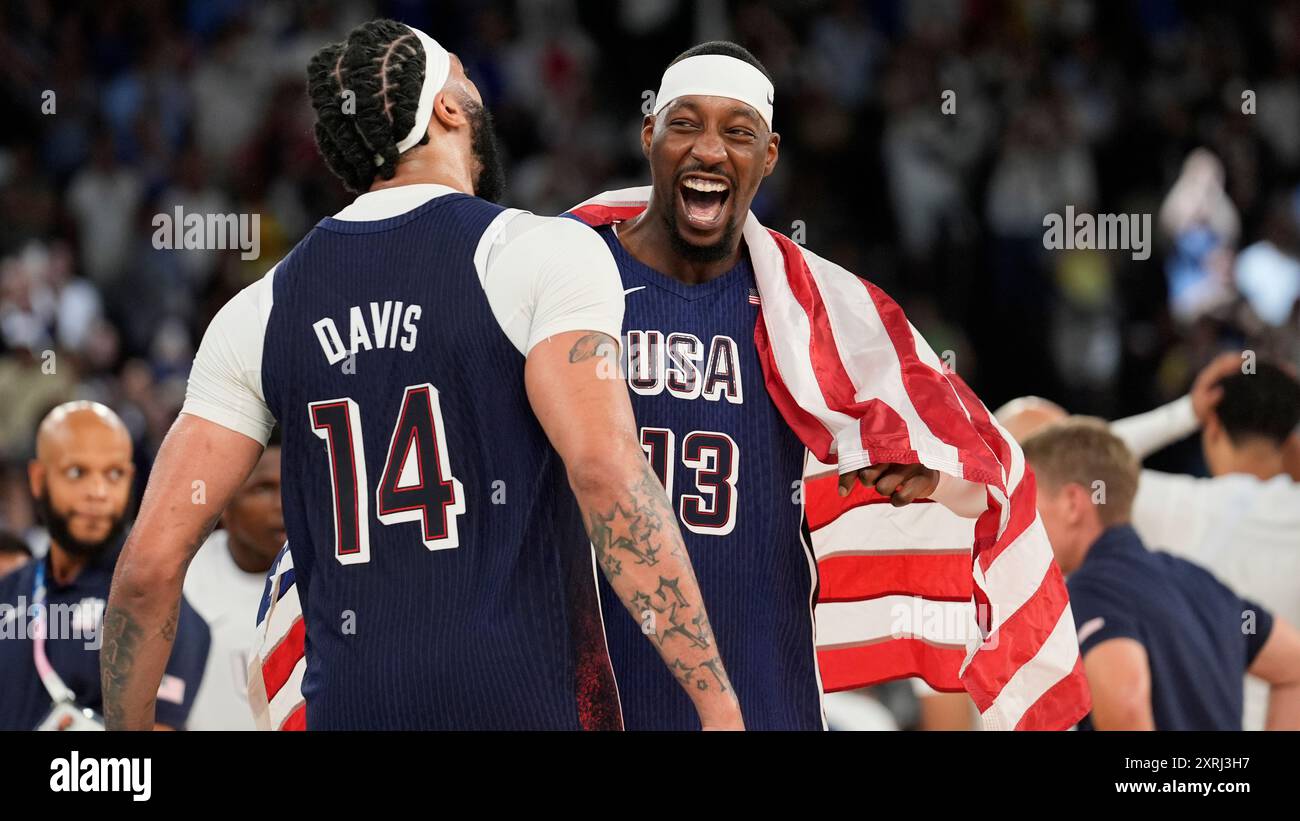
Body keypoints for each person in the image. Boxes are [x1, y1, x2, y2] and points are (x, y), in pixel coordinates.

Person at [101, 19, 740, 731]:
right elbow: (607, 473)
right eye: (465, 76)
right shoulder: (537, 251)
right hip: (526, 703)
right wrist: (716, 702)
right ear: (445, 107)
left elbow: (147, 570)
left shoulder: (260, 307)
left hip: (351, 708)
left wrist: (127, 744)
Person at [565, 42, 1082, 730]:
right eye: (685, 123)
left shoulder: (819, 314)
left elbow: (980, 474)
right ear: (648, 134)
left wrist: (927, 476)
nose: (711, 150)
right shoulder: (569, 276)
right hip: (589, 681)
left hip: (759, 688)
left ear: (770, 155)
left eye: (738, 131)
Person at [998, 352, 1300, 729]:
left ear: (1214, 430)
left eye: (1030, 501)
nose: (1022, 519)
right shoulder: (1201, 582)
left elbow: (1080, 460)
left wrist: (1186, 412)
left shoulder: (1176, 512)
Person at [0, 402, 209, 730]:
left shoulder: (157, 609)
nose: (98, 492)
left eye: (113, 474)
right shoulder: (8, 594)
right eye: (77, 472)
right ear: (38, 478)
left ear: (131, 479)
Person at [183, 428, 285, 730]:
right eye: (263, 489)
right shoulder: (181, 583)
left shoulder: (337, 579)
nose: (283, 504)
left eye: (293, 485)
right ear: (223, 503)